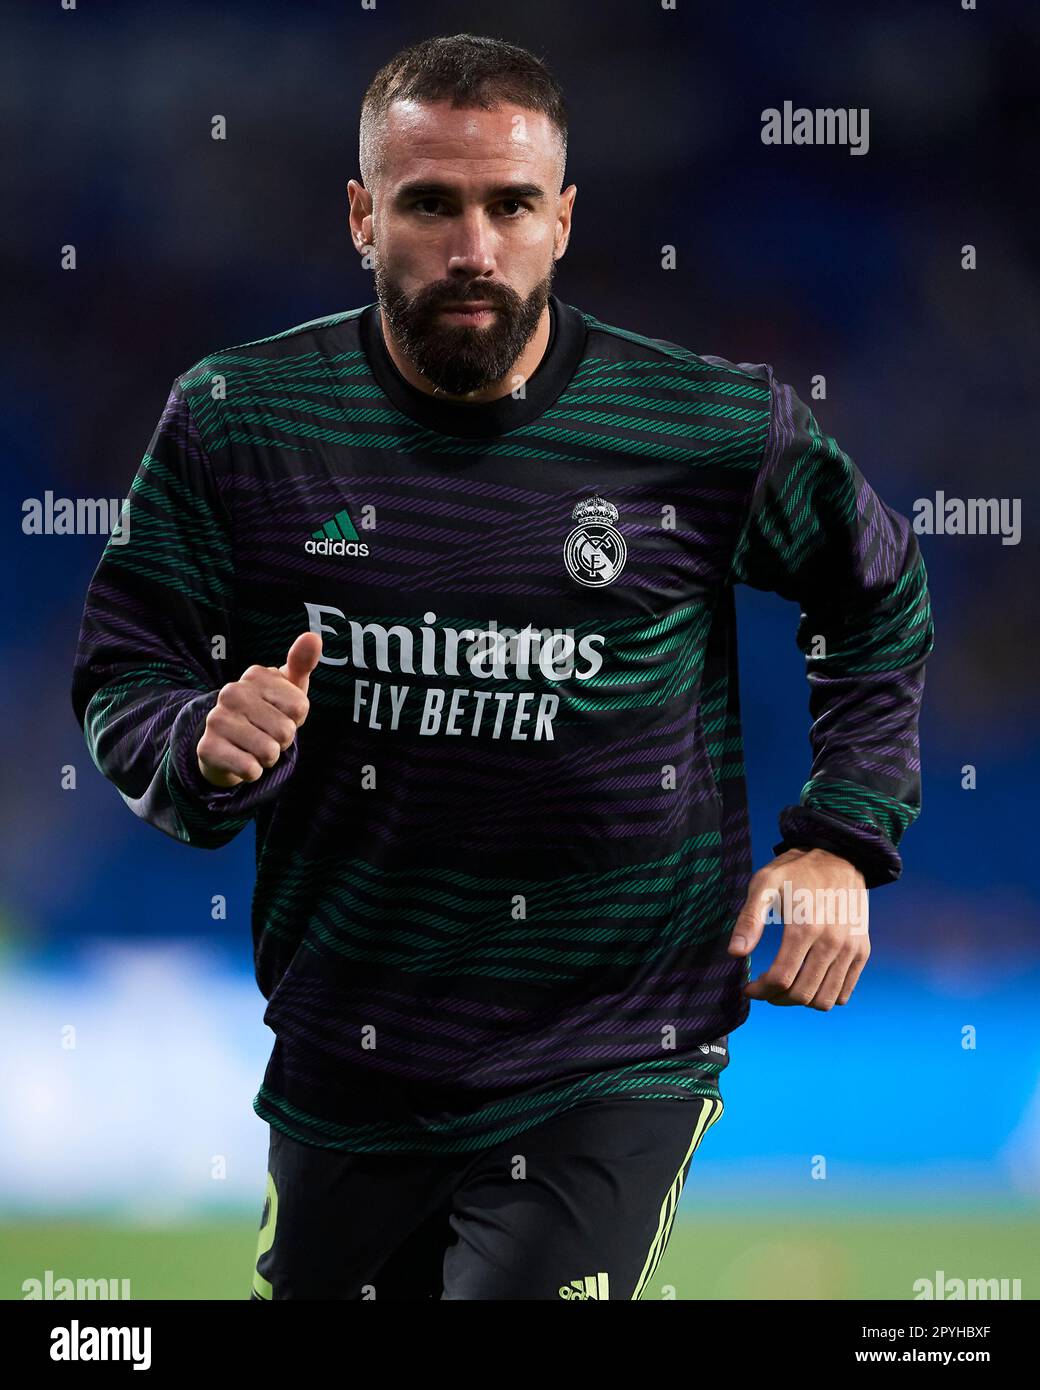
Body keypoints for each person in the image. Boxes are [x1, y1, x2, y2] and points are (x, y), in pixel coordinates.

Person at [70, 32, 933, 1300]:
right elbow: (123, 668)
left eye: (509, 204)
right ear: (362, 217)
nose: (472, 248)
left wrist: (842, 837)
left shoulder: (705, 427)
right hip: (345, 1053)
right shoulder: (241, 420)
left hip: (610, 1047)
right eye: (429, 204)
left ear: (562, 219)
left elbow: (877, 594)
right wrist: (195, 740)